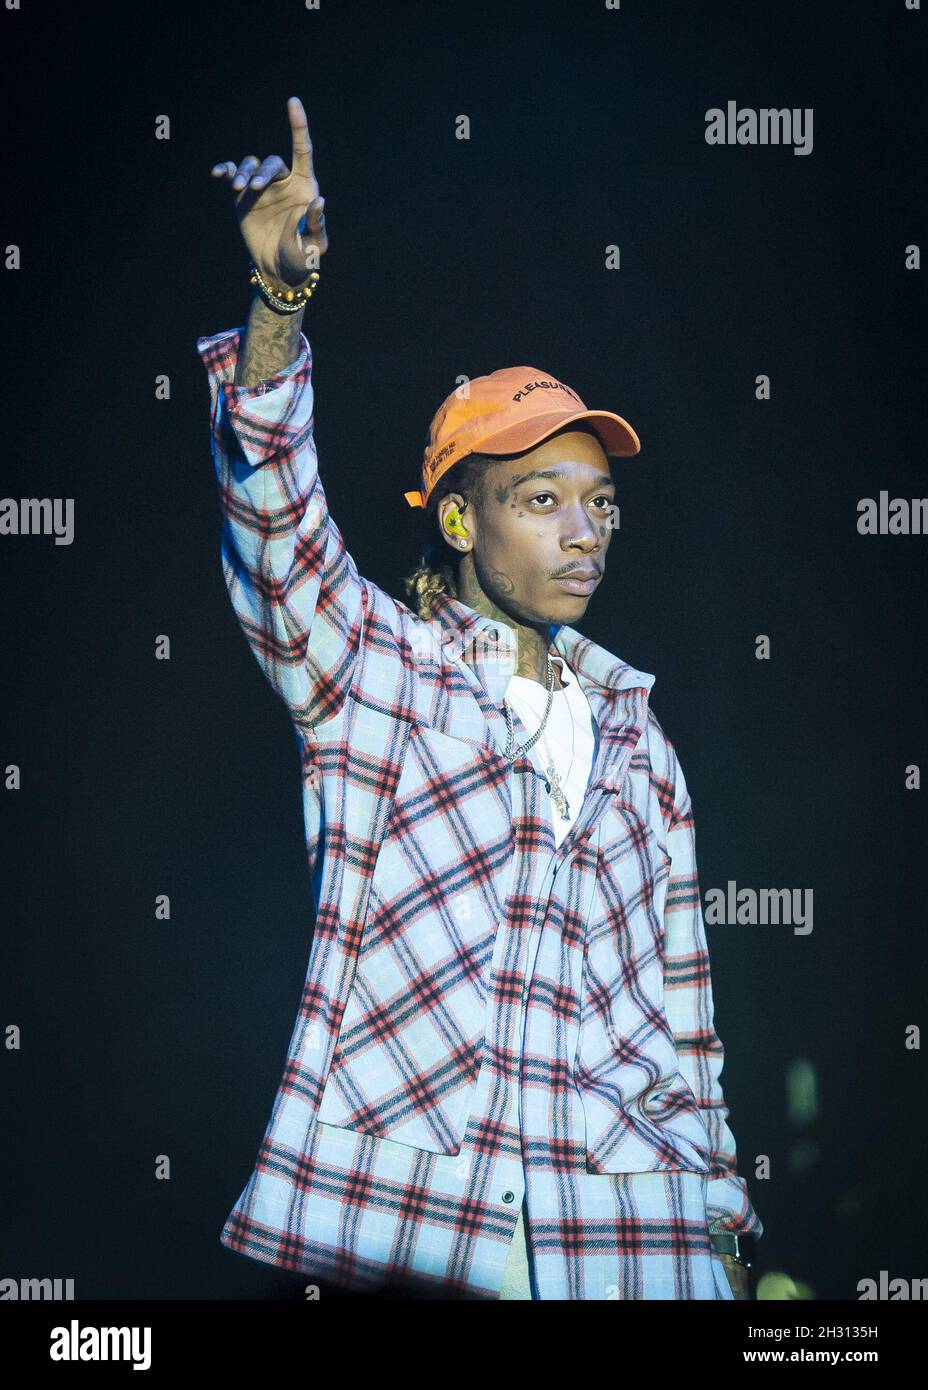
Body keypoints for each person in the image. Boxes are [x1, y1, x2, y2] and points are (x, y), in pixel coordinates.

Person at [198, 95, 763, 1300]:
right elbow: (276, 523)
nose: (585, 531)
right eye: (543, 497)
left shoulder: (639, 742)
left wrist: (719, 1227)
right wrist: (279, 307)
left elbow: (684, 1015)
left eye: (600, 503)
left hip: (629, 1240)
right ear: (461, 518)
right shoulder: (378, 677)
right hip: (416, 1225)